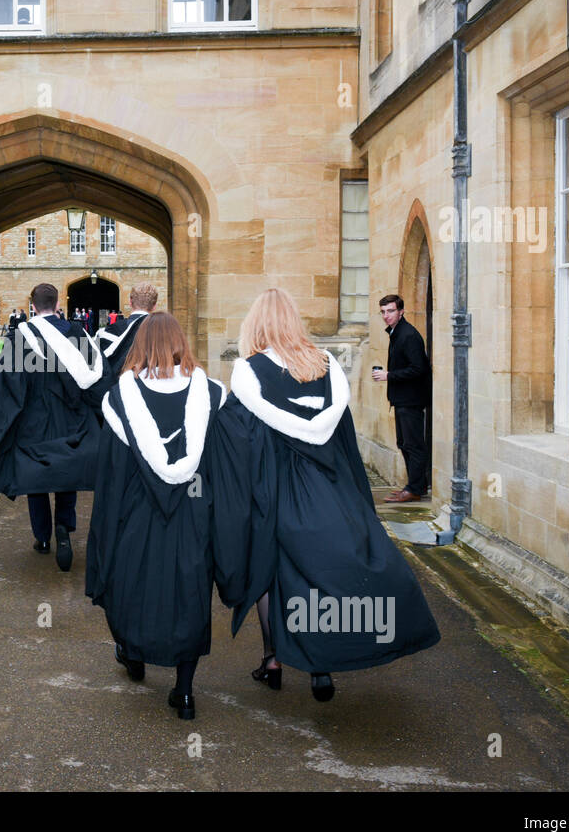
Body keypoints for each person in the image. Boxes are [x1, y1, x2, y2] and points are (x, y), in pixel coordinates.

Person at [220, 288, 440, 702]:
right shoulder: (327, 365)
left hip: (277, 488)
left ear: (257, 324)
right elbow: (340, 437)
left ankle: (272, 659)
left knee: (269, 569)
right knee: (322, 569)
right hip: (330, 486)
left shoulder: (248, 372)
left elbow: (240, 439)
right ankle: (321, 667)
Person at [85, 313, 241, 721]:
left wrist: (107, 529)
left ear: (141, 345)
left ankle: (134, 656)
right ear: (179, 342)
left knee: (133, 584)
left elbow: (112, 473)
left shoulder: (121, 399)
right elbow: (223, 467)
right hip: (194, 508)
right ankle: (184, 692)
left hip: (139, 509)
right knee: (190, 593)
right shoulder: (211, 394)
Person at [0, 282, 109, 570]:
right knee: (67, 472)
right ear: (57, 303)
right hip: (71, 420)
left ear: (33, 304)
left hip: (34, 423)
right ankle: (63, 528)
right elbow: (97, 379)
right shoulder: (78, 334)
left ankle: (42, 537)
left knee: (36, 478)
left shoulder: (20, 338)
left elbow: (7, 386)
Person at [372, 294, 431, 503]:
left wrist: (389, 375)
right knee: (404, 443)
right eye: (383, 312)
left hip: (411, 399)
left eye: (390, 311)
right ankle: (415, 485)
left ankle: (415, 488)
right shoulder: (396, 333)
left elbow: (419, 369)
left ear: (401, 311)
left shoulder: (408, 335)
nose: (386, 316)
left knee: (414, 445)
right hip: (401, 399)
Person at [96, 283, 157, 372]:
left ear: (130, 302)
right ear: (154, 306)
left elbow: (91, 364)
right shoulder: (162, 333)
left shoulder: (104, 333)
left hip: (116, 384)